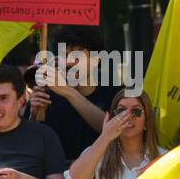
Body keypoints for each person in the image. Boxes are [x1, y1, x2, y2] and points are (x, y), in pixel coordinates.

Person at [28, 25, 115, 161]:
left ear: (96, 60)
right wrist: (33, 116)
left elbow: (113, 129)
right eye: (65, 55)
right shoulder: (48, 95)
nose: (69, 62)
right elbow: (32, 144)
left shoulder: (114, 94)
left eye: (77, 55)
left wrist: (68, 91)